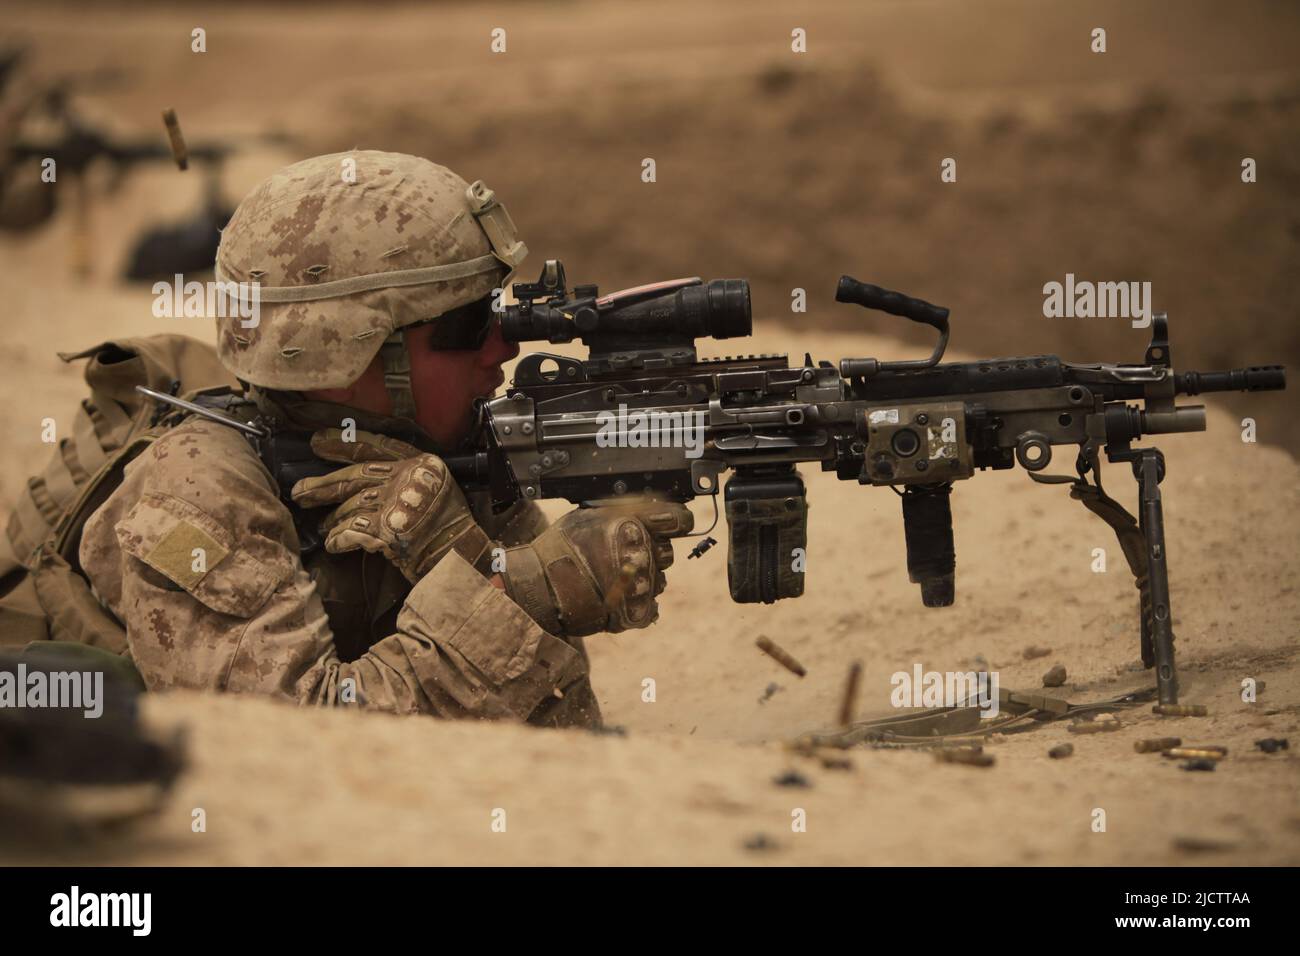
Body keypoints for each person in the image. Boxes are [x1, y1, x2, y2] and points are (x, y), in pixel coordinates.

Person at [77, 150, 692, 728]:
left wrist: (473, 561)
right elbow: (293, 742)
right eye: (469, 325)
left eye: (497, 312)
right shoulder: (198, 494)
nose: (504, 347)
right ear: (345, 353)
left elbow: (556, 721)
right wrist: (528, 592)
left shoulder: (431, 449)